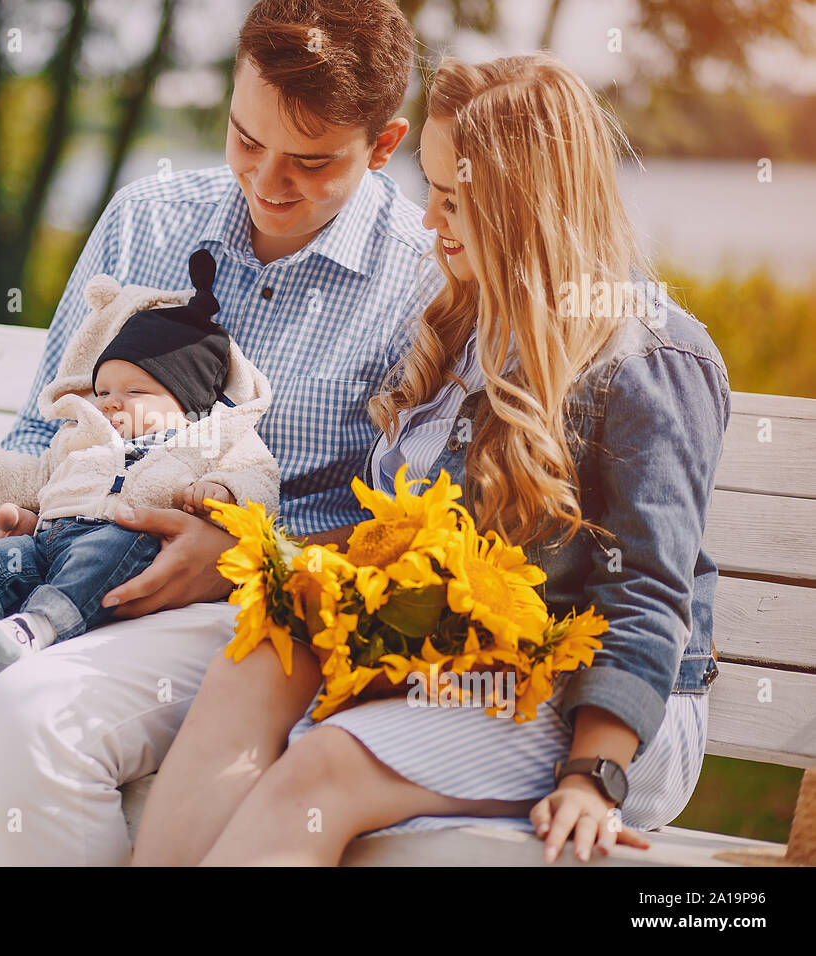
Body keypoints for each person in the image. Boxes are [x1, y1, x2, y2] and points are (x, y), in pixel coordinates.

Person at [0, 0, 443, 865]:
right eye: (247, 139)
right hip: (62, 561)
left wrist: (245, 553)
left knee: (32, 720)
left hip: (247, 624)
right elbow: (46, 413)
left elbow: (413, 522)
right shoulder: (147, 219)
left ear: (386, 145)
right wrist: (28, 496)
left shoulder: (424, 281)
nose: (268, 182)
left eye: (311, 162)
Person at [130, 52, 730, 867]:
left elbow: (647, 595)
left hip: (603, 715)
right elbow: (412, 545)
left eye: (453, 199)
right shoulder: (463, 323)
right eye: (431, 190)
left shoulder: (646, 359)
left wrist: (593, 774)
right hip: (456, 665)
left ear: (525, 210)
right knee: (259, 653)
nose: (428, 219)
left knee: (324, 765)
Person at [0, 249, 279, 669]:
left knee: (103, 553)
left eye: (135, 393)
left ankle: (38, 626)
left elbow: (259, 477)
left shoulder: (207, 437)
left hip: (123, 543)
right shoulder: (81, 437)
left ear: (187, 403)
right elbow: (40, 475)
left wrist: (223, 489)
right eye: (104, 391)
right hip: (46, 540)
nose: (112, 404)